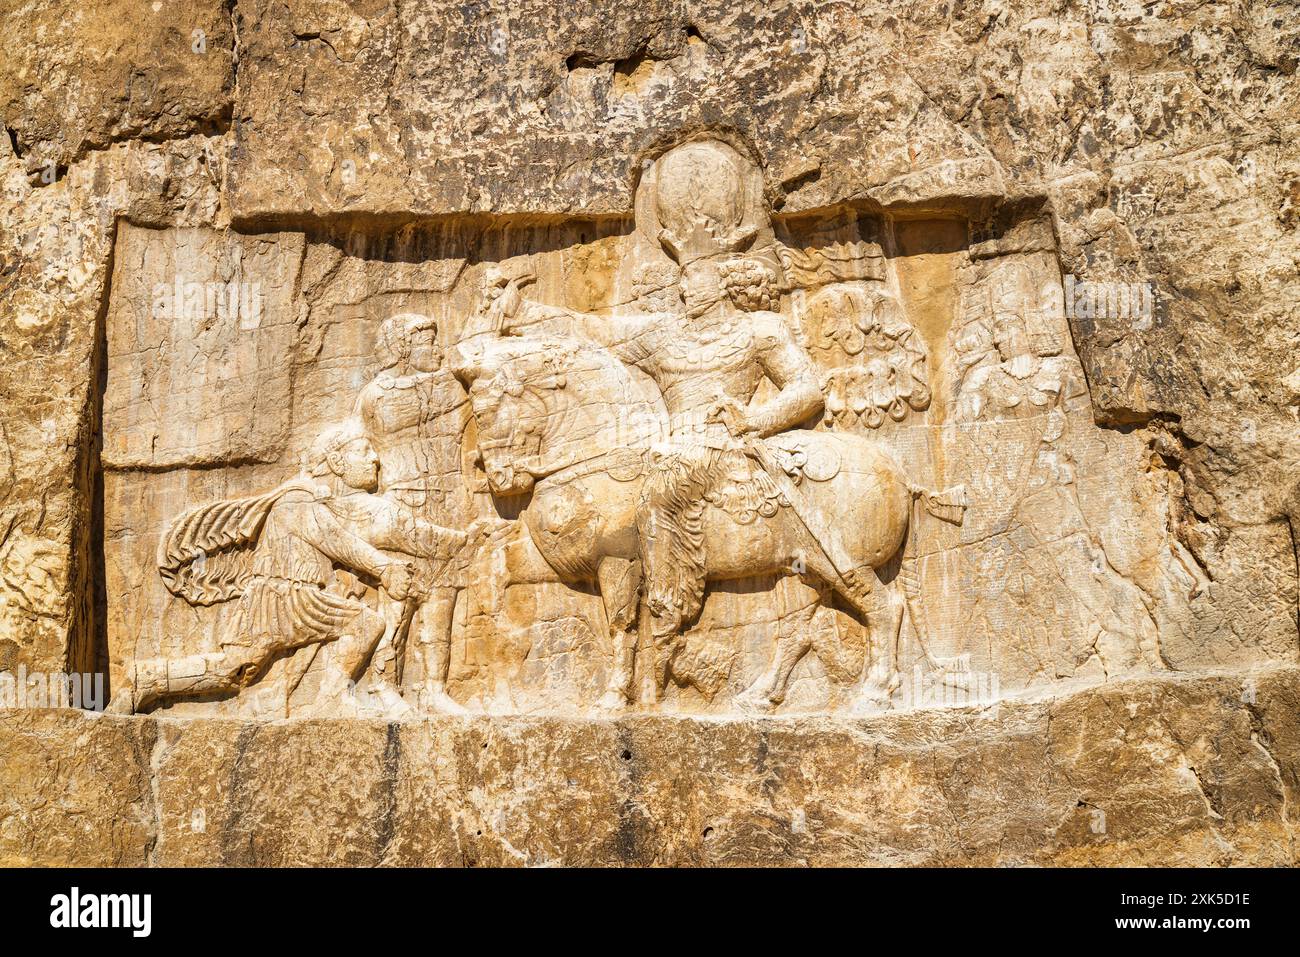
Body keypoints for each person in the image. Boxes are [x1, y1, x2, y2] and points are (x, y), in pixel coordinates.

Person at [112, 420, 472, 715]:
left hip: (280, 599)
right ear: (337, 462)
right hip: (287, 598)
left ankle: (150, 678)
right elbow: (338, 542)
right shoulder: (299, 499)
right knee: (364, 623)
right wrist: (385, 569)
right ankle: (332, 698)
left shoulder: (318, 499)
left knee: (231, 670)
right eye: (364, 450)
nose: (374, 459)